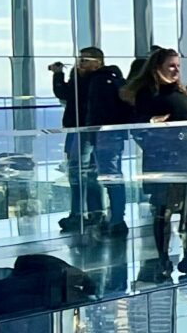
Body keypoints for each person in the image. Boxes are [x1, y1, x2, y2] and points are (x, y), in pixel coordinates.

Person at [123, 47, 187, 280]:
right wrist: (151, 124)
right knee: (163, 212)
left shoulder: (182, 93)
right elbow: (136, 127)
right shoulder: (147, 95)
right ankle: (163, 258)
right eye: (171, 65)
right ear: (157, 68)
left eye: (178, 66)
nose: (176, 70)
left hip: (186, 161)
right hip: (161, 163)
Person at [52, 44, 130, 235]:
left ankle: (101, 216)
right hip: (90, 130)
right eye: (80, 59)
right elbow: (67, 95)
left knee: (89, 172)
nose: (81, 63)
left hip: (95, 131)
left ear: (98, 63)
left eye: (85, 60)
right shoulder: (91, 80)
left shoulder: (101, 81)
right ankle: (101, 215)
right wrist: (60, 76)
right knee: (89, 172)